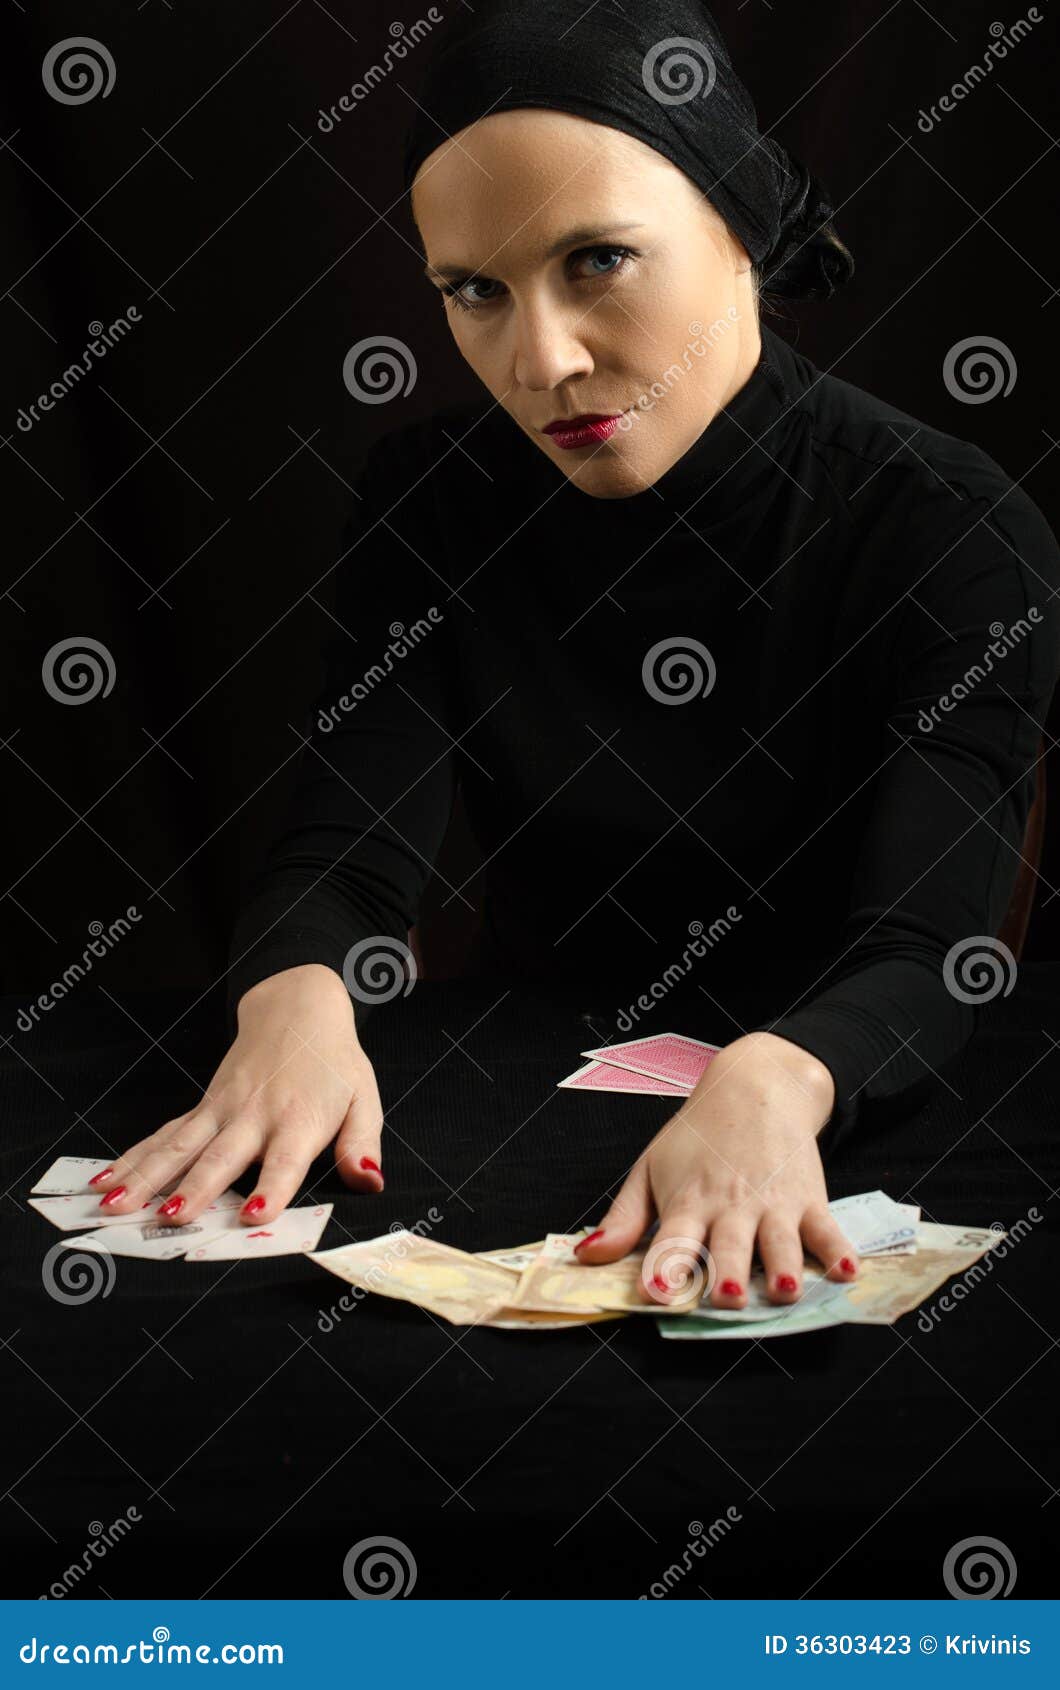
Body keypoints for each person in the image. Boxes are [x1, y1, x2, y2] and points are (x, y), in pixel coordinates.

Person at [89, 1, 1060, 1310]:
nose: (539, 361)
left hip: (866, 1124)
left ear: (740, 234)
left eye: (599, 261)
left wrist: (775, 1075)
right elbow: (345, 852)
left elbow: (934, 944)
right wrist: (296, 1000)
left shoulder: (950, 526)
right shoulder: (432, 501)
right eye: (475, 291)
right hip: (516, 1110)